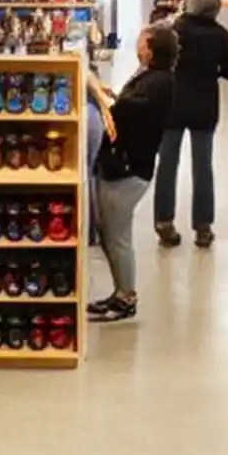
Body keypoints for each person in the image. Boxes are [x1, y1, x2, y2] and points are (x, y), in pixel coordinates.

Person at [87, 24, 178, 322]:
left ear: (151, 49)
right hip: (124, 165)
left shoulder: (160, 83)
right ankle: (119, 292)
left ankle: (126, 297)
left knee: (117, 235)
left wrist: (112, 104)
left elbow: (134, 111)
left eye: (141, 44)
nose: (137, 48)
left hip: (130, 170)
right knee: (110, 232)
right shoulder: (152, 77)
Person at [153, 0, 228, 248]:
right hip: (205, 107)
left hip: (173, 105)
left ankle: (164, 223)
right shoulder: (221, 35)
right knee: (203, 166)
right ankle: (203, 227)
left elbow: (158, 61)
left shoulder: (174, 29)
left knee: (167, 164)